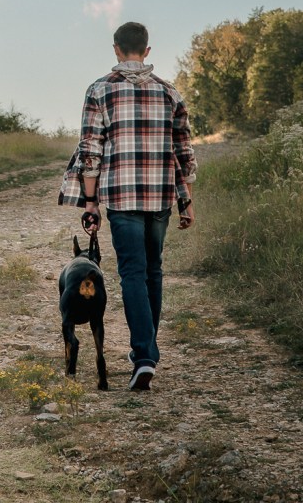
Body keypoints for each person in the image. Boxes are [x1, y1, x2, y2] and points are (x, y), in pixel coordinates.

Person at [59, 21, 196, 391]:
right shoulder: (170, 93)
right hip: (161, 196)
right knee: (154, 271)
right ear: (147, 51)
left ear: (116, 49)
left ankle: (145, 355)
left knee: (133, 273)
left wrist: (90, 202)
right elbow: (182, 153)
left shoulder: (100, 90)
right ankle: (145, 354)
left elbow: (91, 152)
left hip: (121, 196)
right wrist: (185, 200)